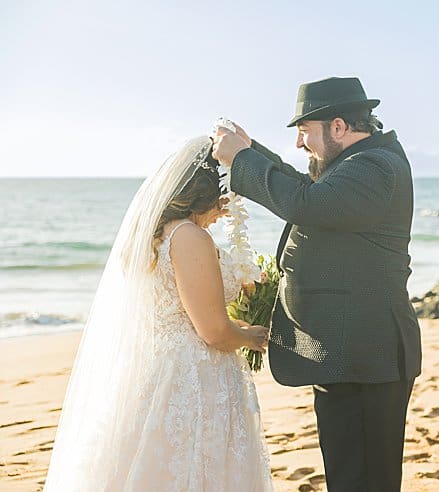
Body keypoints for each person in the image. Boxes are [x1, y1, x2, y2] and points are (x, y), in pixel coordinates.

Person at [211, 76, 421, 491]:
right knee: (349, 476)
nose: (299, 143)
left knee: (365, 481)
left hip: (367, 358)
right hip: (351, 355)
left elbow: (305, 202)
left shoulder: (375, 167)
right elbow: (307, 189)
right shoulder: (359, 162)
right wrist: (252, 152)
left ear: (338, 126)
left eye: (304, 132)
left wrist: (242, 161)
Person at [45, 137, 272, 491]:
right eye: (227, 193)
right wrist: (251, 336)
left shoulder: (159, 236)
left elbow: (183, 310)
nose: (228, 206)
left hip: (159, 367)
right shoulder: (190, 237)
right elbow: (212, 331)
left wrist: (235, 323)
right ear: (208, 190)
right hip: (193, 375)